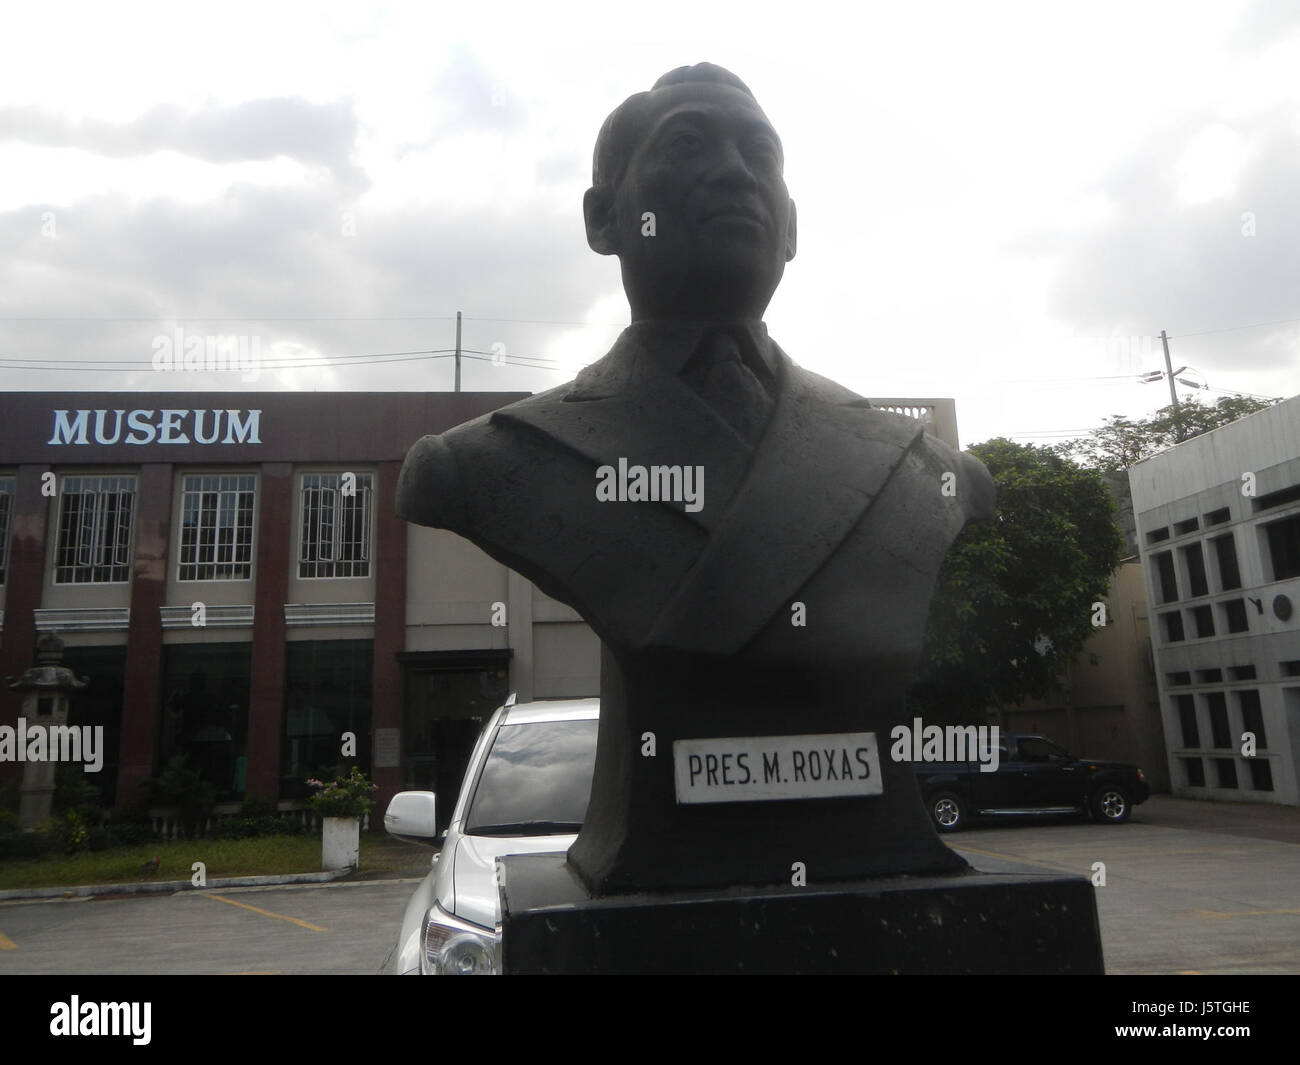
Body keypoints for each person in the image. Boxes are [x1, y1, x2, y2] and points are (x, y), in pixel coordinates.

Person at [398, 63, 995, 892]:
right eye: (687, 143)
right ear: (605, 217)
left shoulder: (923, 471)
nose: (733, 171)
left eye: (761, 152)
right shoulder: (487, 464)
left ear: (791, 225)